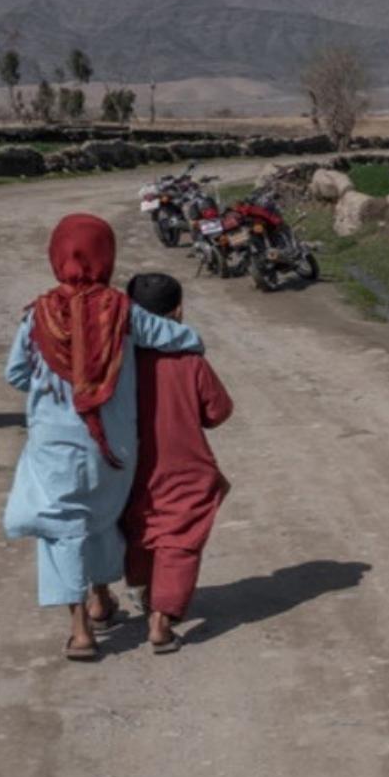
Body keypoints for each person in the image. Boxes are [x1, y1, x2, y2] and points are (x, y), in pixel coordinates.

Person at [3, 215, 203, 661]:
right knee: (101, 518)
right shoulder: (123, 311)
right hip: (113, 446)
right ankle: (100, 594)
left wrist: (53, 386)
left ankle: (80, 630)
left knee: (62, 529)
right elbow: (184, 339)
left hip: (54, 444)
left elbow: (15, 372)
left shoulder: (38, 315)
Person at [119, 272, 234, 653]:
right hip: (185, 464)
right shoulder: (189, 360)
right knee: (180, 535)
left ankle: (142, 587)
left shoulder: (119, 360)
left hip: (131, 466)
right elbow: (217, 412)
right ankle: (162, 620)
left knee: (141, 527)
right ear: (179, 311)